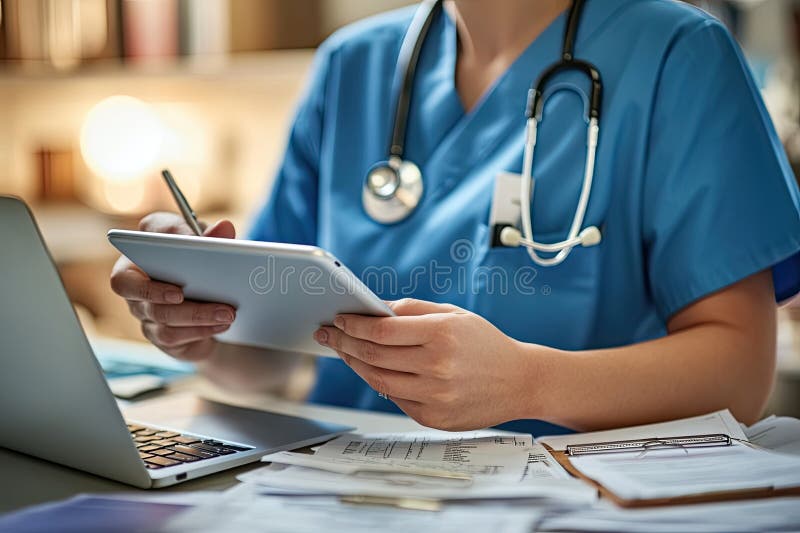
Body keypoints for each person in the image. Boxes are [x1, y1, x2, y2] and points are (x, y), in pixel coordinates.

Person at [111, 0, 800, 435]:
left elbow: (739, 373)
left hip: (578, 499)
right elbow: (266, 365)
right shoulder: (351, 66)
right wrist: (199, 328)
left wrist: (530, 382)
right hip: (344, 495)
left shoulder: (680, 54)